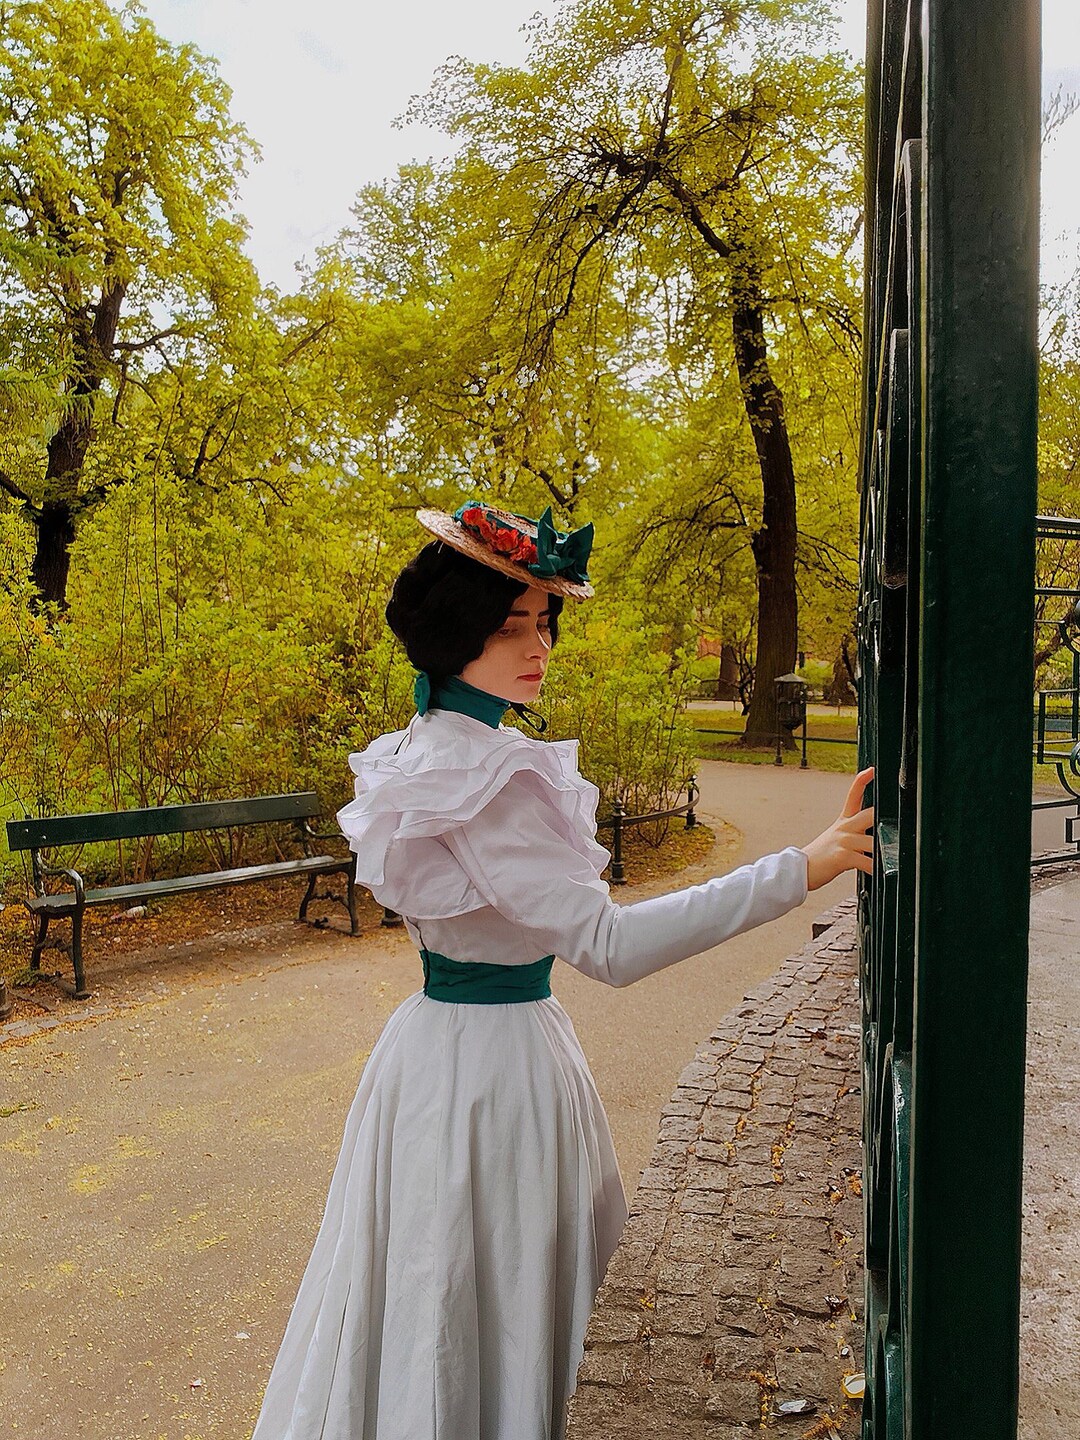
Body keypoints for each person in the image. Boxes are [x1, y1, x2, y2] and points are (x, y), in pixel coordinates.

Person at [250, 501, 874, 1440]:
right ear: (454, 634)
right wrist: (801, 868)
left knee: (432, 1284)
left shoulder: (429, 756)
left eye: (542, 623)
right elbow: (611, 947)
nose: (536, 645)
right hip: (493, 1078)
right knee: (472, 1284)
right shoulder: (485, 778)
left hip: (437, 1059)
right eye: (511, 627)